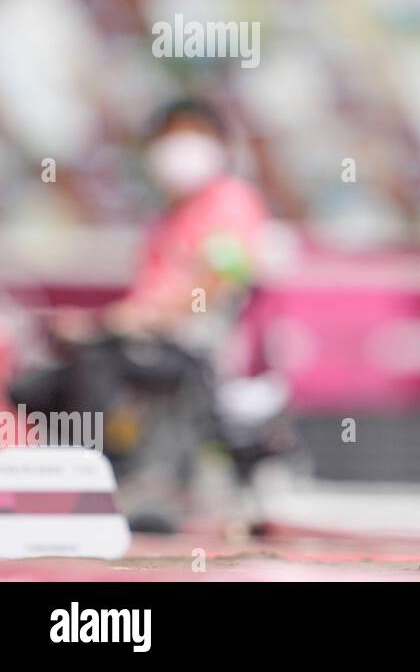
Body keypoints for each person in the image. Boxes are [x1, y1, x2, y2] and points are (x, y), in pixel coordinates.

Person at [9, 98, 268, 530]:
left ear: (221, 144)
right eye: (167, 137)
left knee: (98, 363)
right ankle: (70, 479)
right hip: (145, 342)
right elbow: (139, 304)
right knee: (36, 385)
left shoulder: (230, 201)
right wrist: (100, 325)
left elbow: (219, 282)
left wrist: (129, 323)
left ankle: (140, 480)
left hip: (196, 348)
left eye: (190, 134)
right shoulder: (165, 219)